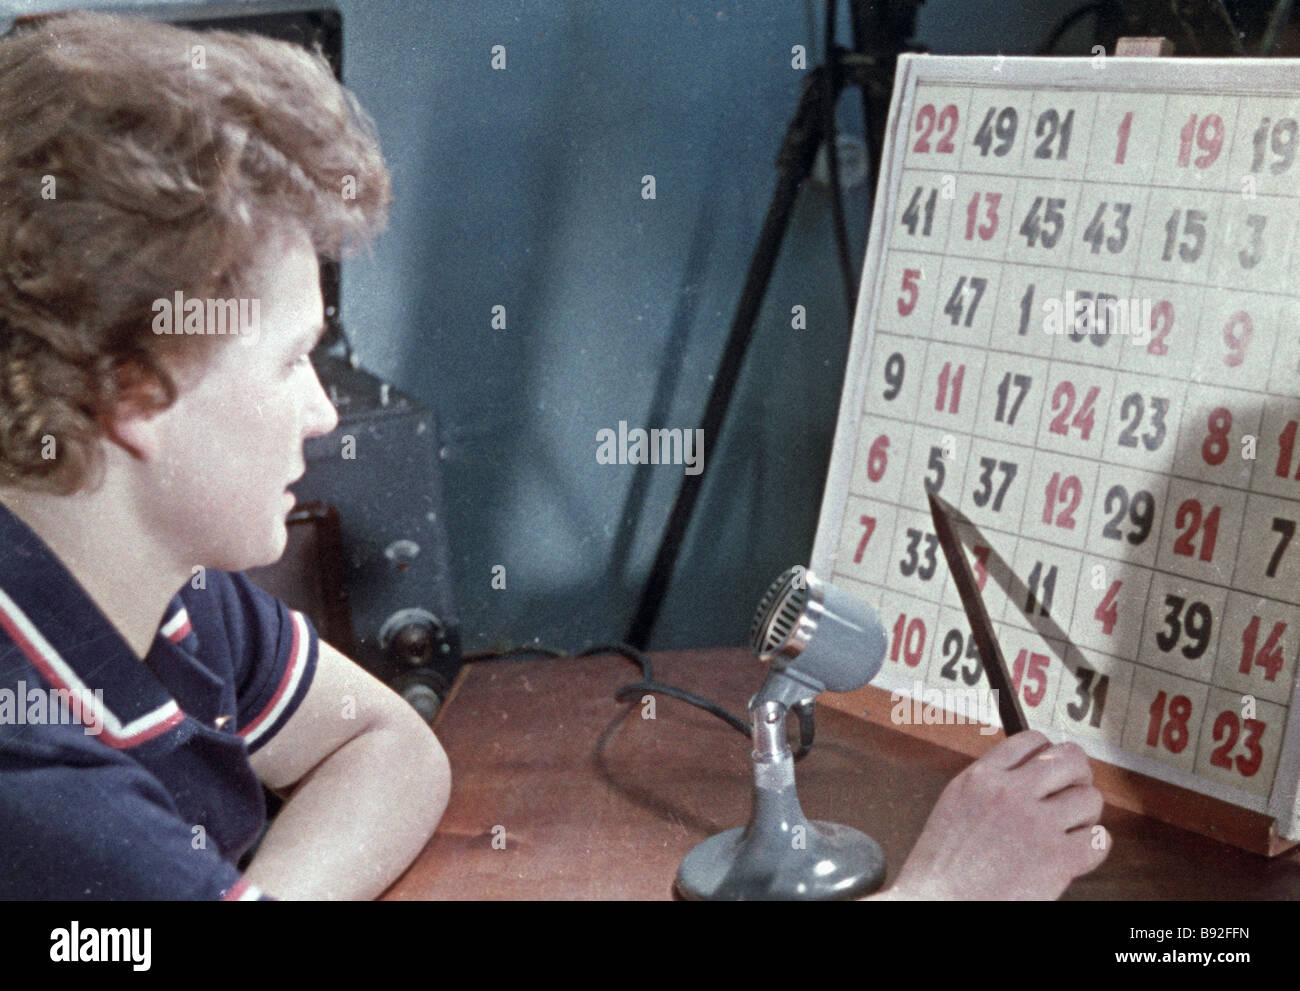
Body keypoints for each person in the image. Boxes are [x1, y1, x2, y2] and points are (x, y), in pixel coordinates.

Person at [0, 9, 1106, 901]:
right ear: (133, 393)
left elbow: (389, 743)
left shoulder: (152, 589)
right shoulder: (41, 793)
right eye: (292, 360)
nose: (323, 416)